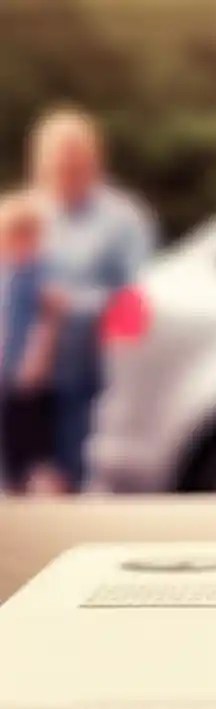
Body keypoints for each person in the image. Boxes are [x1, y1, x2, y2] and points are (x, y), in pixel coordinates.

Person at [29, 108, 155, 492]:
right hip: (22, 378)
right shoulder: (26, 214)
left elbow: (138, 301)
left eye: (73, 161)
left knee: (74, 479)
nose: (63, 170)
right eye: (55, 160)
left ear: (93, 161)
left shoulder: (123, 219)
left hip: (90, 375)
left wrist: (74, 306)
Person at [0, 192, 64, 496]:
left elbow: (47, 321)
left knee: (32, 436)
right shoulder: (7, 274)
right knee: (11, 437)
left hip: (28, 373)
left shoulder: (38, 275)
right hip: (6, 372)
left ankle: (44, 485)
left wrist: (37, 360)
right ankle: (13, 485)